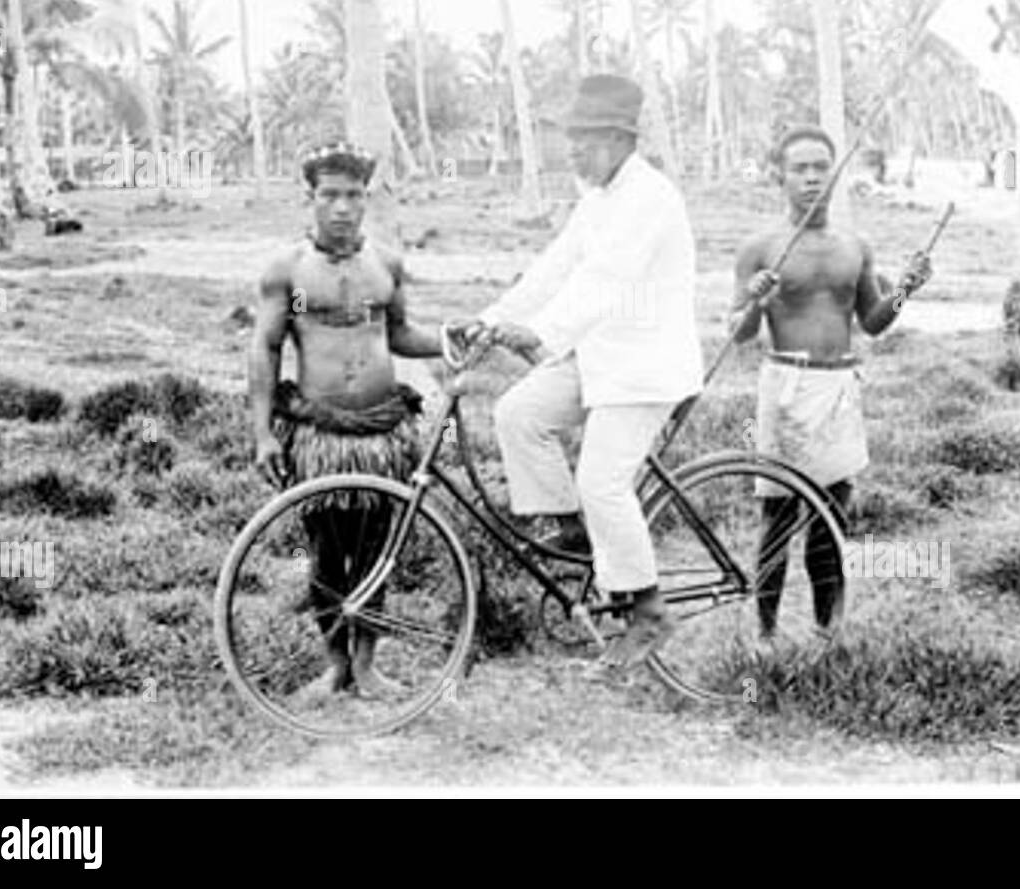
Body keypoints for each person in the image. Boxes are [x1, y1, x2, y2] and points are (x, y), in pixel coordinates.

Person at [471, 74, 704, 667]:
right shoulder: (596, 199)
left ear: (619, 139)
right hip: (600, 357)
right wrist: (492, 317)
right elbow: (554, 268)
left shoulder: (650, 197)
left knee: (602, 481)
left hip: (645, 369)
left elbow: (607, 281)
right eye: (569, 138)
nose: (571, 151)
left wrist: (543, 333)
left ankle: (648, 611)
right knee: (518, 413)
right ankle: (577, 537)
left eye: (583, 139)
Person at [250, 142, 442, 697]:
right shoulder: (288, 270)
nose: (341, 207)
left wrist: (454, 340)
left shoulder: (387, 264)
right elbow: (265, 347)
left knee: (379, 550)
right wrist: (262, 434)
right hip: (321, 436)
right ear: (309, 198)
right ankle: (335, 664)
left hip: (383, 433)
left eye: (353, 195)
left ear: (366, 199)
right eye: (329, 195)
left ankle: (367, 665)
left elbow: (400, 334)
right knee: (328, 553)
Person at [730, 125, 932, 636]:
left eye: (821, 167)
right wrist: (755, 300)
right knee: (777, 517)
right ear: (779, 176)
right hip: (786, 385)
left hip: (839, 387)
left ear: (836, 173)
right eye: (799, 168)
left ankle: (828, 634)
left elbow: (873, 322)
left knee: (831, 519)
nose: (812, 178)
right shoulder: (760, 247)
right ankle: (765, 637)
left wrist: (905, 290)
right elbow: (739, 334)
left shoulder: (854, 246)